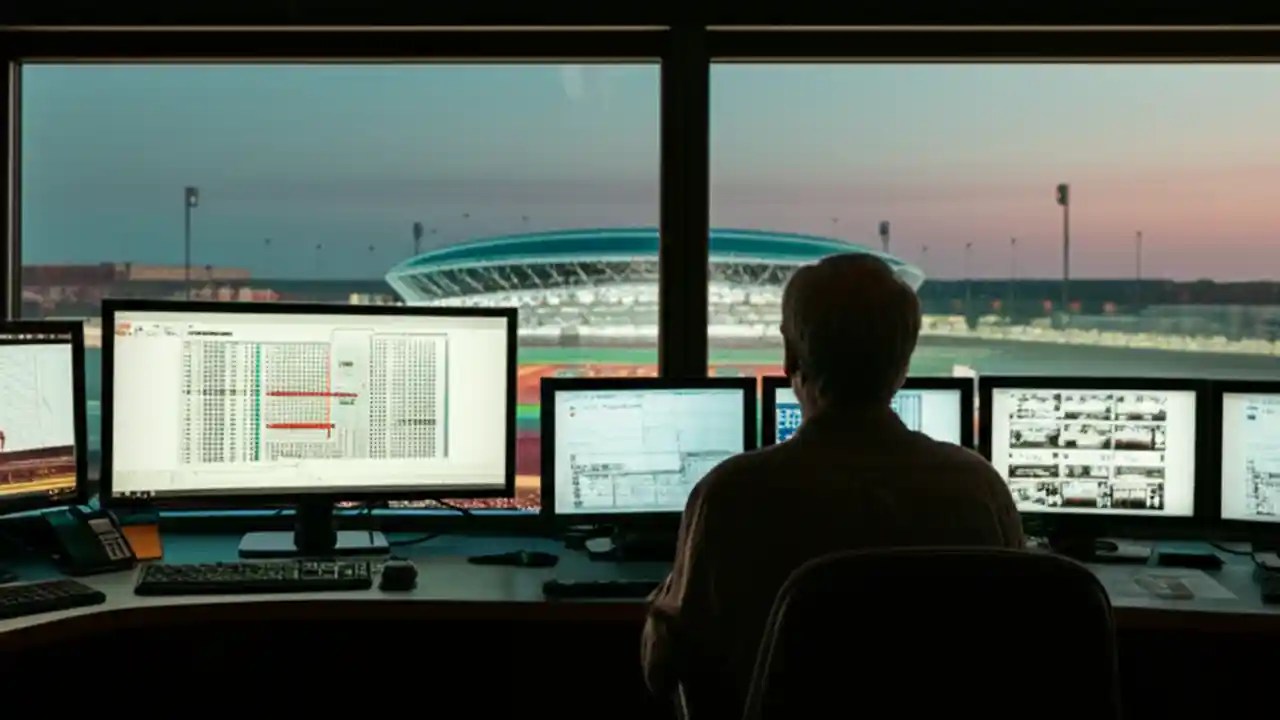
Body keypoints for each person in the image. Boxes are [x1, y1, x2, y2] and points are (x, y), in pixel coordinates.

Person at [641, 253, 1024, 716]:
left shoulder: (729, 497)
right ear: (902, 366)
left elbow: (662, 667)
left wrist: (669, 593)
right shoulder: (979, 488)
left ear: (789, 358)